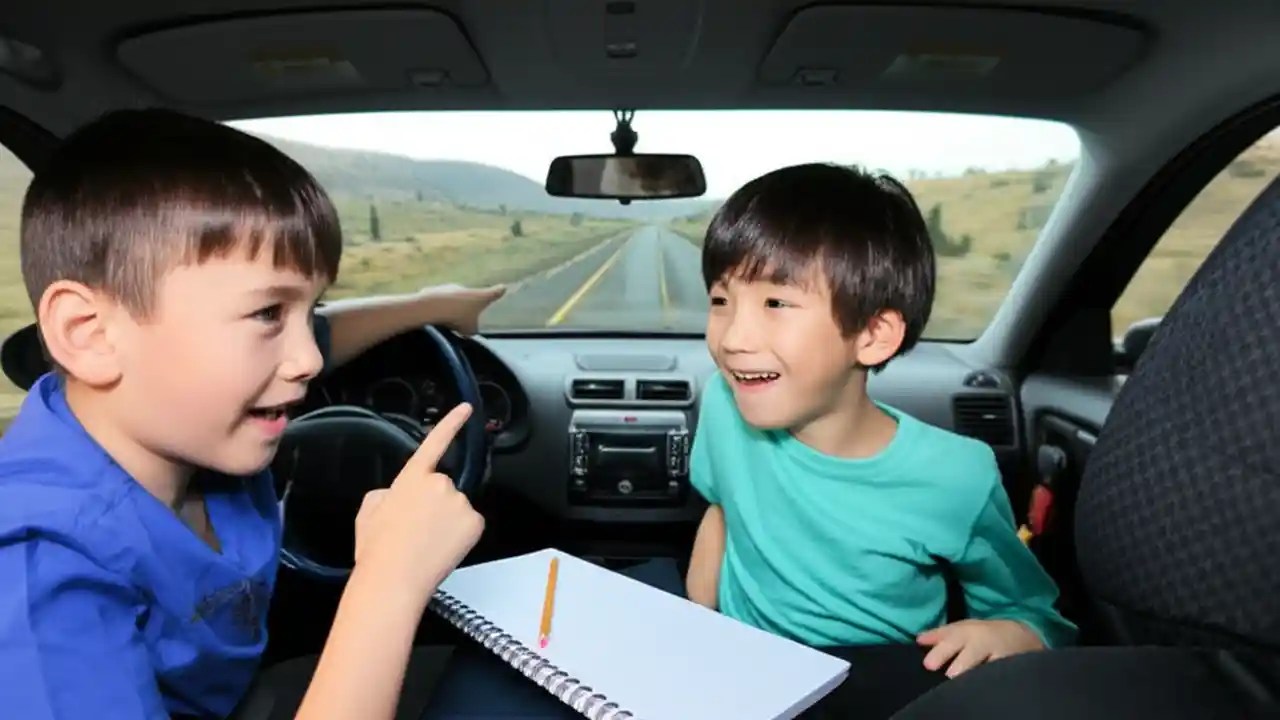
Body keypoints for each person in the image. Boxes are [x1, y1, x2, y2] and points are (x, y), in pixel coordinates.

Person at [0, 108, 505, 719]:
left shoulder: (185, 421)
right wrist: (390, 582)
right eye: (268, 314)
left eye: (308, 310)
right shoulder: (38, 577)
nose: (310, 359)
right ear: (90, 335)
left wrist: (433, 305)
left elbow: (318, 335)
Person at [684, 163, 1077, 680]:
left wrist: (1009, 631)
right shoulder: (722, 405)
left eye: (776, 302)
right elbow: (724, 507)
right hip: (738, 669)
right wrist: (696, 623)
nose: (733, 337)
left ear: (872, 336)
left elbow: (1032, 612)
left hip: (874, 683)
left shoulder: (956, 476)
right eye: (721, 300)